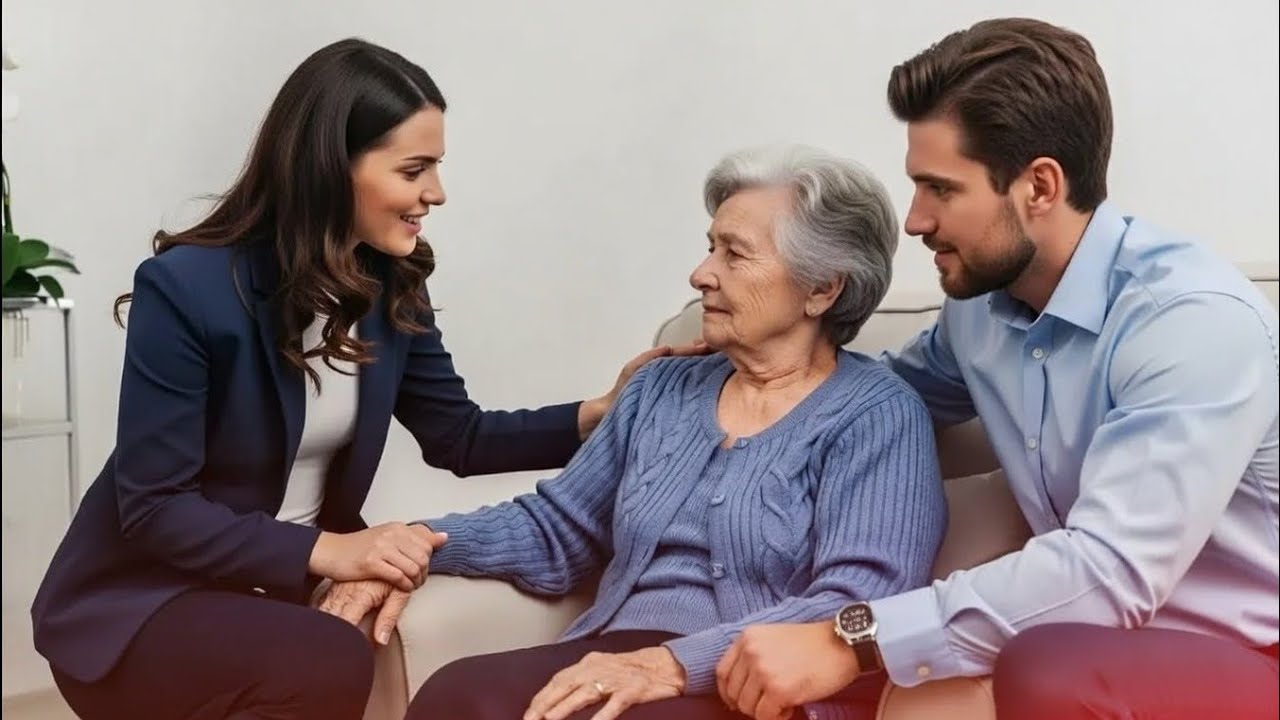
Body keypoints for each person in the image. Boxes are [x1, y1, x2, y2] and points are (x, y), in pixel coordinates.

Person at [30, 38, 697, 720]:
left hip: (276, 600)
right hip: (145, 602)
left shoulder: (390, 283)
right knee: (325, 655)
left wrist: (604, 411)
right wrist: (332, 550)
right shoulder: (188, 290)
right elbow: (155, 508)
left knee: (330, 650)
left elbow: (458, 437)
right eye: (415, 169)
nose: (436, 193)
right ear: (330, 169)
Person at [713, 17, 1280, 720]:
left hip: (1251, 653)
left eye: (940, 189)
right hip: (1091, 643)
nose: (914, 220)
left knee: (1042, 667)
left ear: (1038, 186)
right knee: (923, 687)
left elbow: (1109, 573)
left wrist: (850, 637)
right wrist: (744, 363)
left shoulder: (1191, 321)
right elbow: (875, 396)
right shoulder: (981, 311)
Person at [323, 144, 947, 720]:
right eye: (709, 247)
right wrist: (410, 546)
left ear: (822, 289)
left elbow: (859, 598)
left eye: (734, 253)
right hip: (618, 651)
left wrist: (679, 664)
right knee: (461, 696)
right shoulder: (661, 389)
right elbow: (558, 531)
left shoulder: (877, 415)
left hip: (755, 687)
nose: (701, 274)